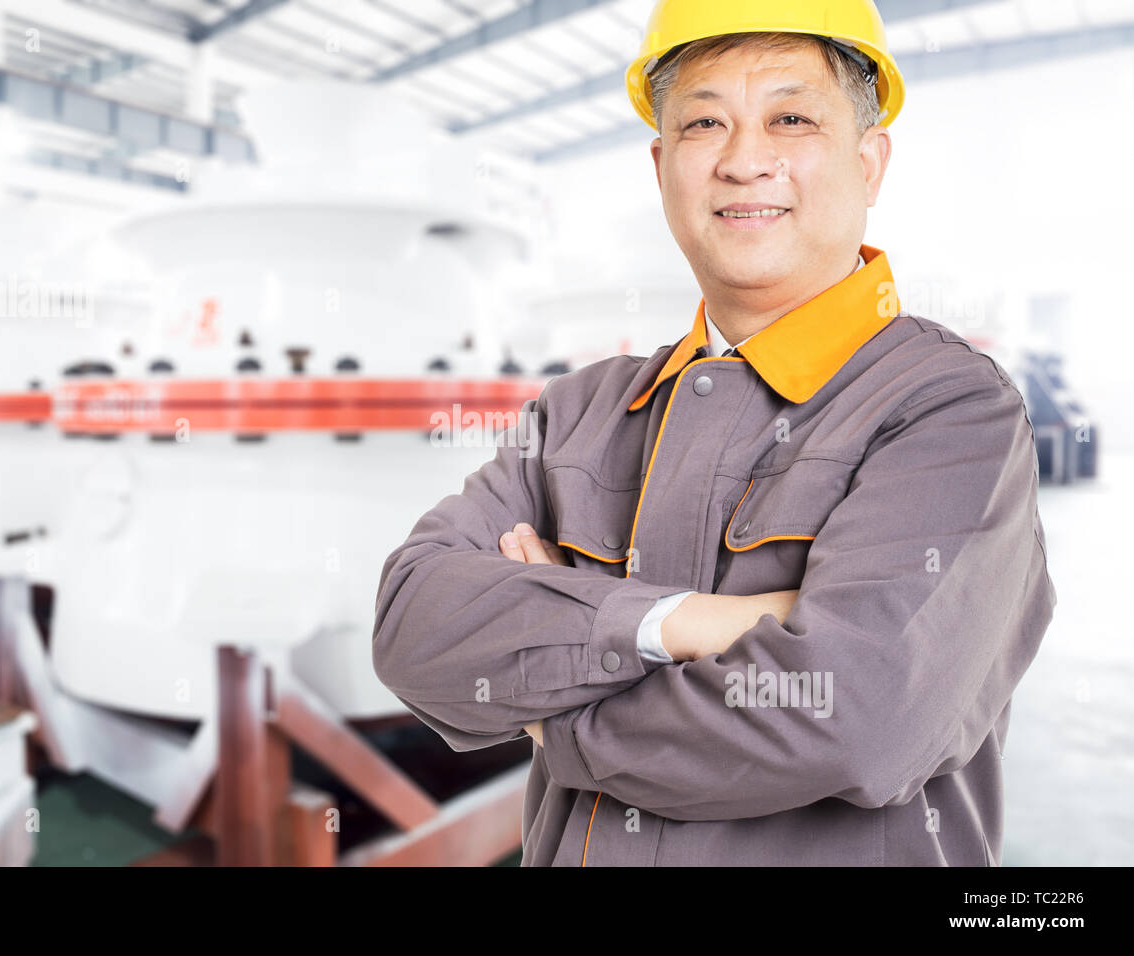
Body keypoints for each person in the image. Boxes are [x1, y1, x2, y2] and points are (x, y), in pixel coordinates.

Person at [372, 0, 1056, 866]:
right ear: (663, 167)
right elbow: (411, 632)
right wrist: (689, 625)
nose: (743, 162)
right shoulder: (579, 412)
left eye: (791, 118)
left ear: (870, 160)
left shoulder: (948, 410)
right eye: (704, 123)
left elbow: (861, 719)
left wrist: (550, 704)